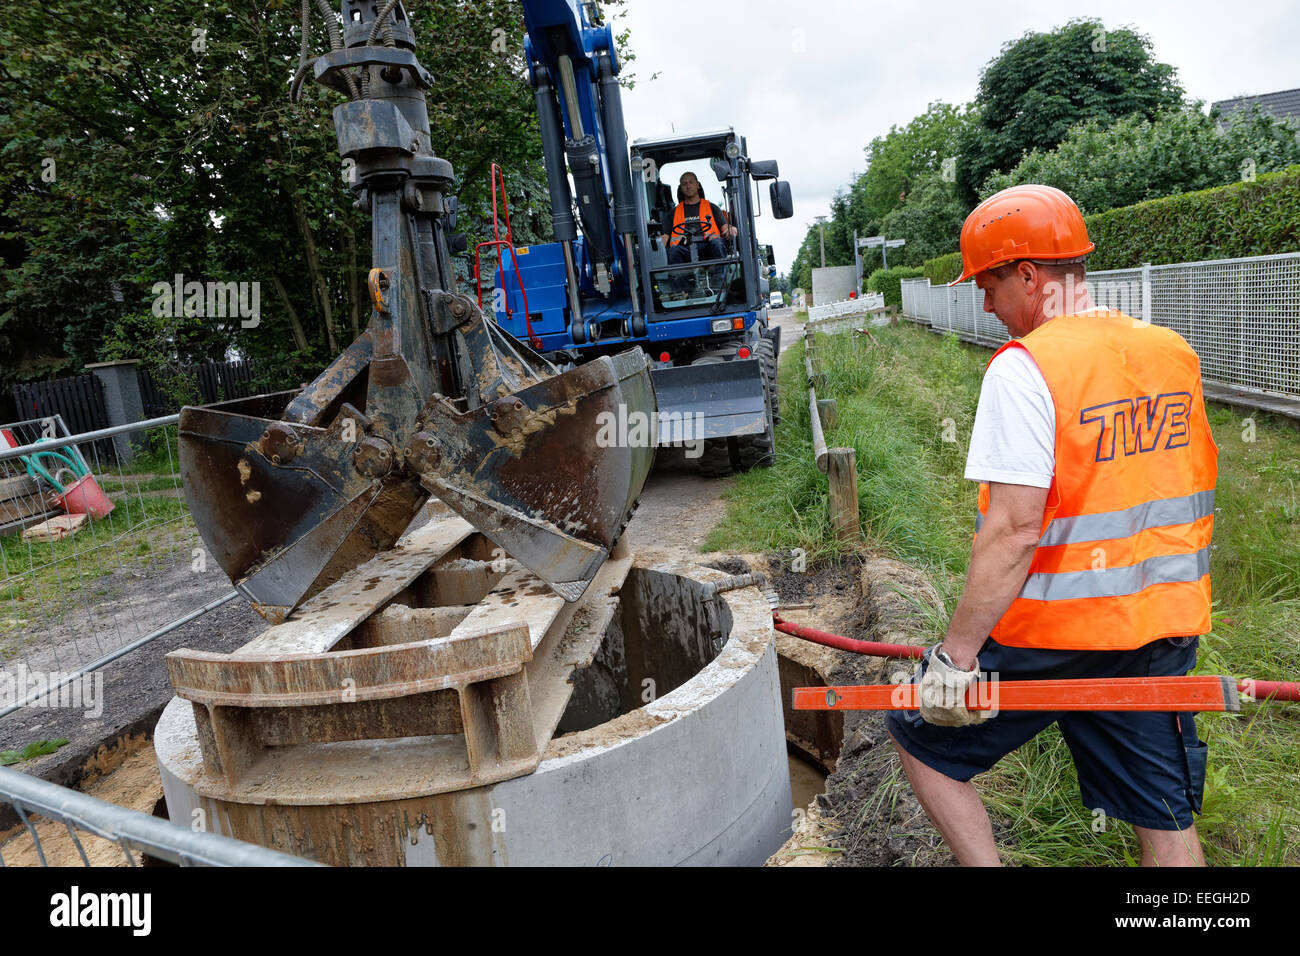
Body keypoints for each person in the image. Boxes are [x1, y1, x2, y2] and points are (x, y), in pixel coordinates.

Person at [885, 184, 1219, 867]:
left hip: (1052, 637)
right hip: (1156, 629)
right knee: (1163, 812)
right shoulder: (1169, 350)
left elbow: (1013, 531)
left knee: (924, 742)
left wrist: (956, 656)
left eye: (987, 282)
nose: (983, 301)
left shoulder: (1025, 368)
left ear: (1029, 275)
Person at [660, 171, 737, 292]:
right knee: (673, 251)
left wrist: (730, 230)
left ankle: (719, 286)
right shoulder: (673, 213)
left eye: (691, 182)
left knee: (717, 243)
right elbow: (665, 237)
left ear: (698, 185)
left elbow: (724, 227)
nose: (688, 186)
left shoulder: (711, 207)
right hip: (685, 251)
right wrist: (655, 246)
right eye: (684, 184)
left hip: (708, 248)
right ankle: (683, 292)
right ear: (681, 188)